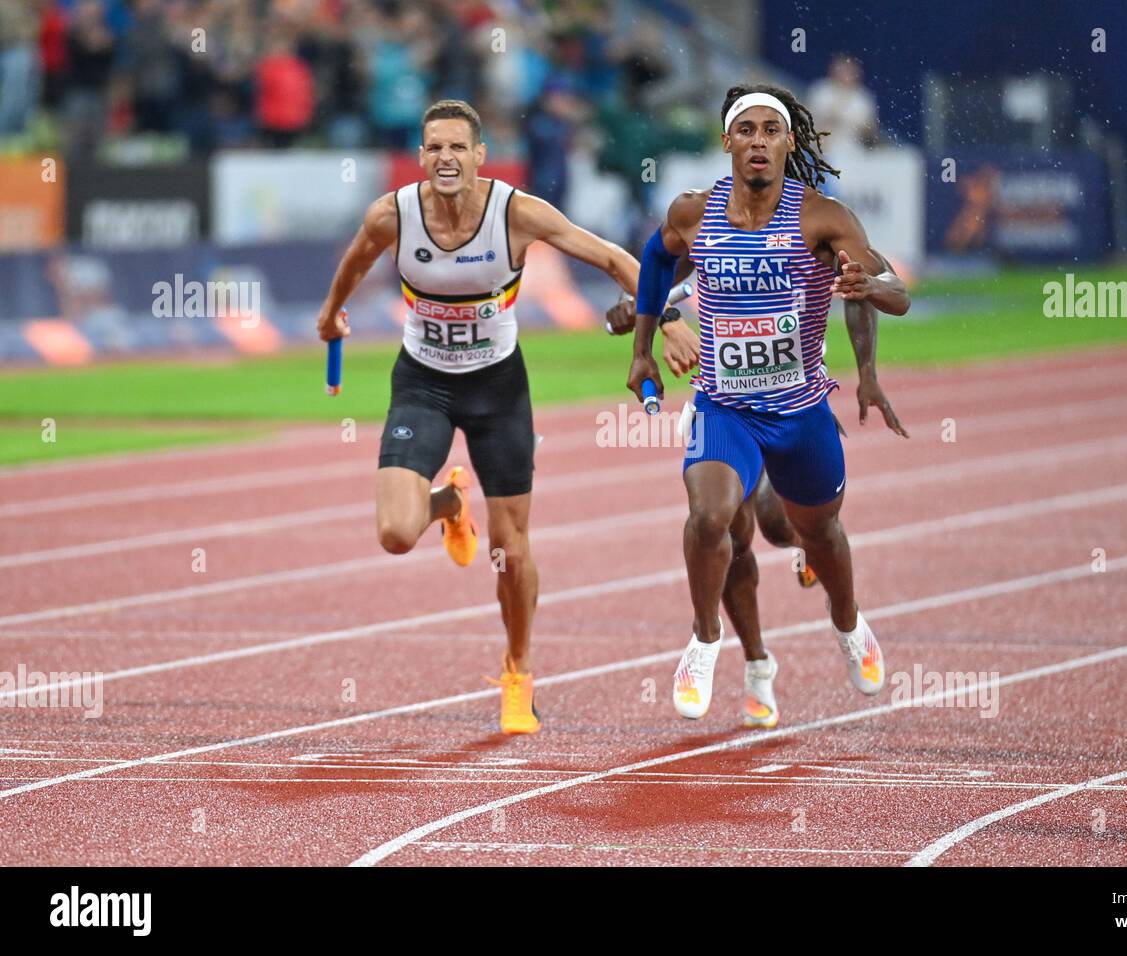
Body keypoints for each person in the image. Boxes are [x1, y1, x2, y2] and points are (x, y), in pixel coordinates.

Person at [316, 99, 698, 735]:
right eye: (434, 148)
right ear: (420, 157)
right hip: (424, 383)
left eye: (457, 148)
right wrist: (333, 311)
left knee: (510, 551)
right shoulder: (394, 215)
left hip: (498, 389)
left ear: (479, 156)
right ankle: (448, 506)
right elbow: (357, 258)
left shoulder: (516, 213)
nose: (445, 159)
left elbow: (609, 258)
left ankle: (518, 672)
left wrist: (672, 322)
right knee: (394, 532)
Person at [626, 83, 910, 725]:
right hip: (724, 409)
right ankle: (704, 641)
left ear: (788, 142)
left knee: (816, 531)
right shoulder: (694, 212)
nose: (758, 141)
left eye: (770, 131)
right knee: (710, 517)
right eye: (746, 130)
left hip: (801, 411)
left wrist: (868, 309)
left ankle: (848, 624)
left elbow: (891, 292)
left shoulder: (822, 218)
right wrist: (643, 347)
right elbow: (654, 256)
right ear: (726, 141)